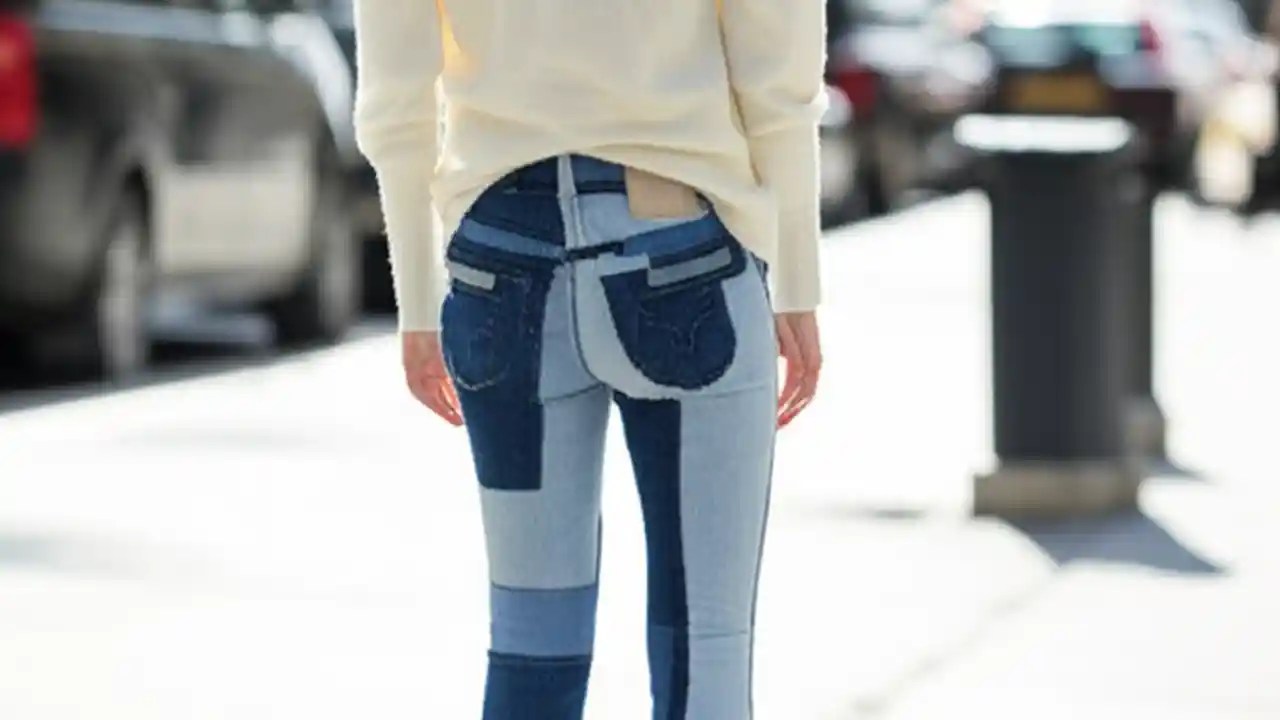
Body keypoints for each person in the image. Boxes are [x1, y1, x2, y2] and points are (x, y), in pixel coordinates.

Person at [353, 1, 825, 717]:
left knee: (529, 649)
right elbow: (779, 77)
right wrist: (796, 281)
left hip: (498, 266)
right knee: (707, 648)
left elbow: (396, 95)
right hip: (681, 256)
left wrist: (418, 303)